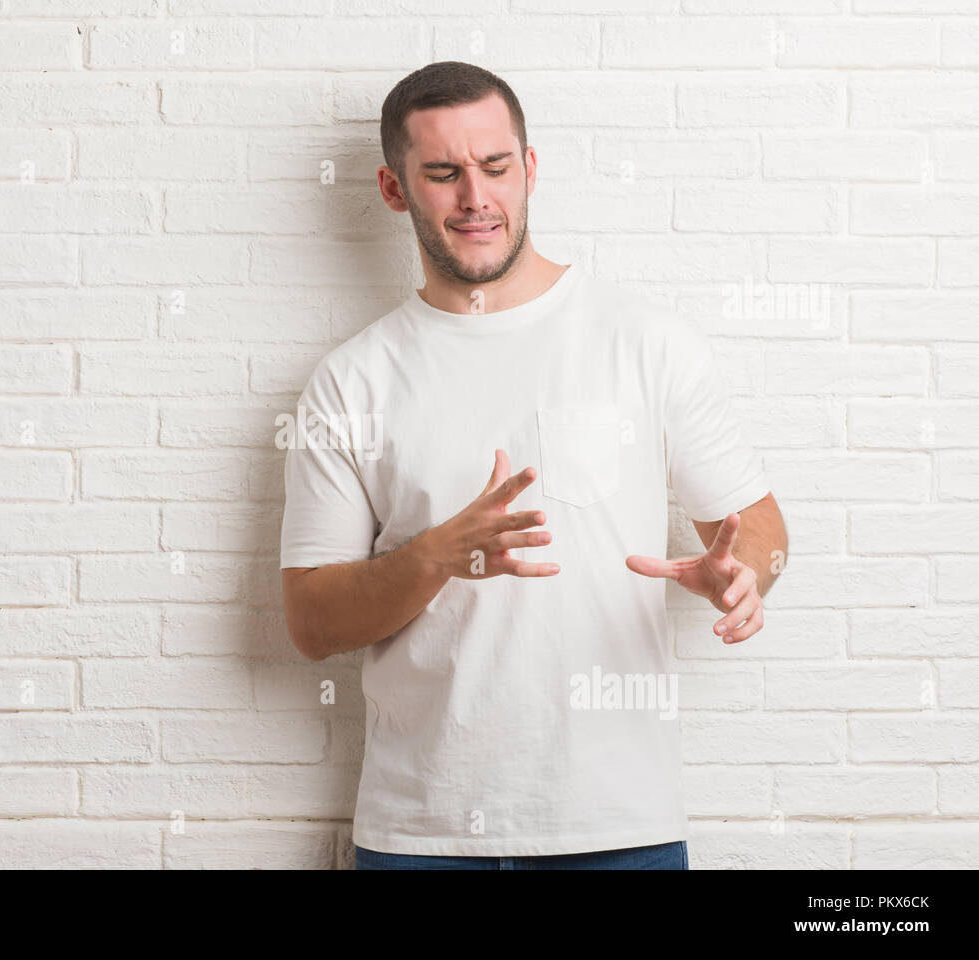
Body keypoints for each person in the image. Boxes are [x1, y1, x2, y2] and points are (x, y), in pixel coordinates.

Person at [278, 61, 789, 870]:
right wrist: (433, 558)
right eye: (443, 174)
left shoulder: (645, 341)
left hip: (620, 823)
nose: (476, 198)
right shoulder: (353, 380)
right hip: (423, 833)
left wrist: (746, 574)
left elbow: (757, 528)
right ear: (393, 188)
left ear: (532, 169)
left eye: (496, 167)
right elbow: (310, 622)